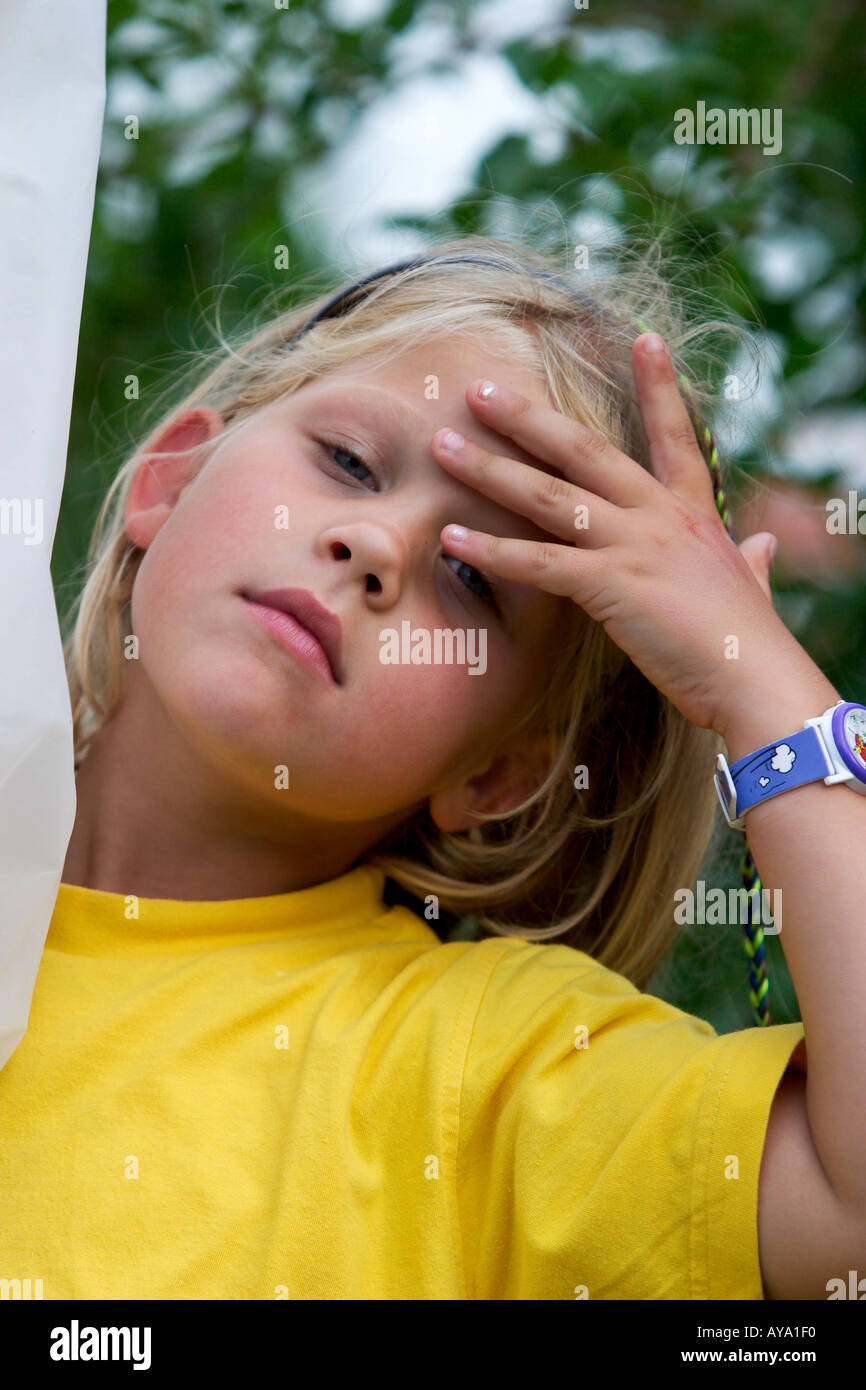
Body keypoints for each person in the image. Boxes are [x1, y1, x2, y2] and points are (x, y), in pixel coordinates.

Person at [1, 235, 863, 1301]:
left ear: (497, 775)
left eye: (468, 576)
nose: (374, 545)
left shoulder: (485, 1073)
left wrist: (762, 692)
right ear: (170, 476)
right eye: (350, 462)